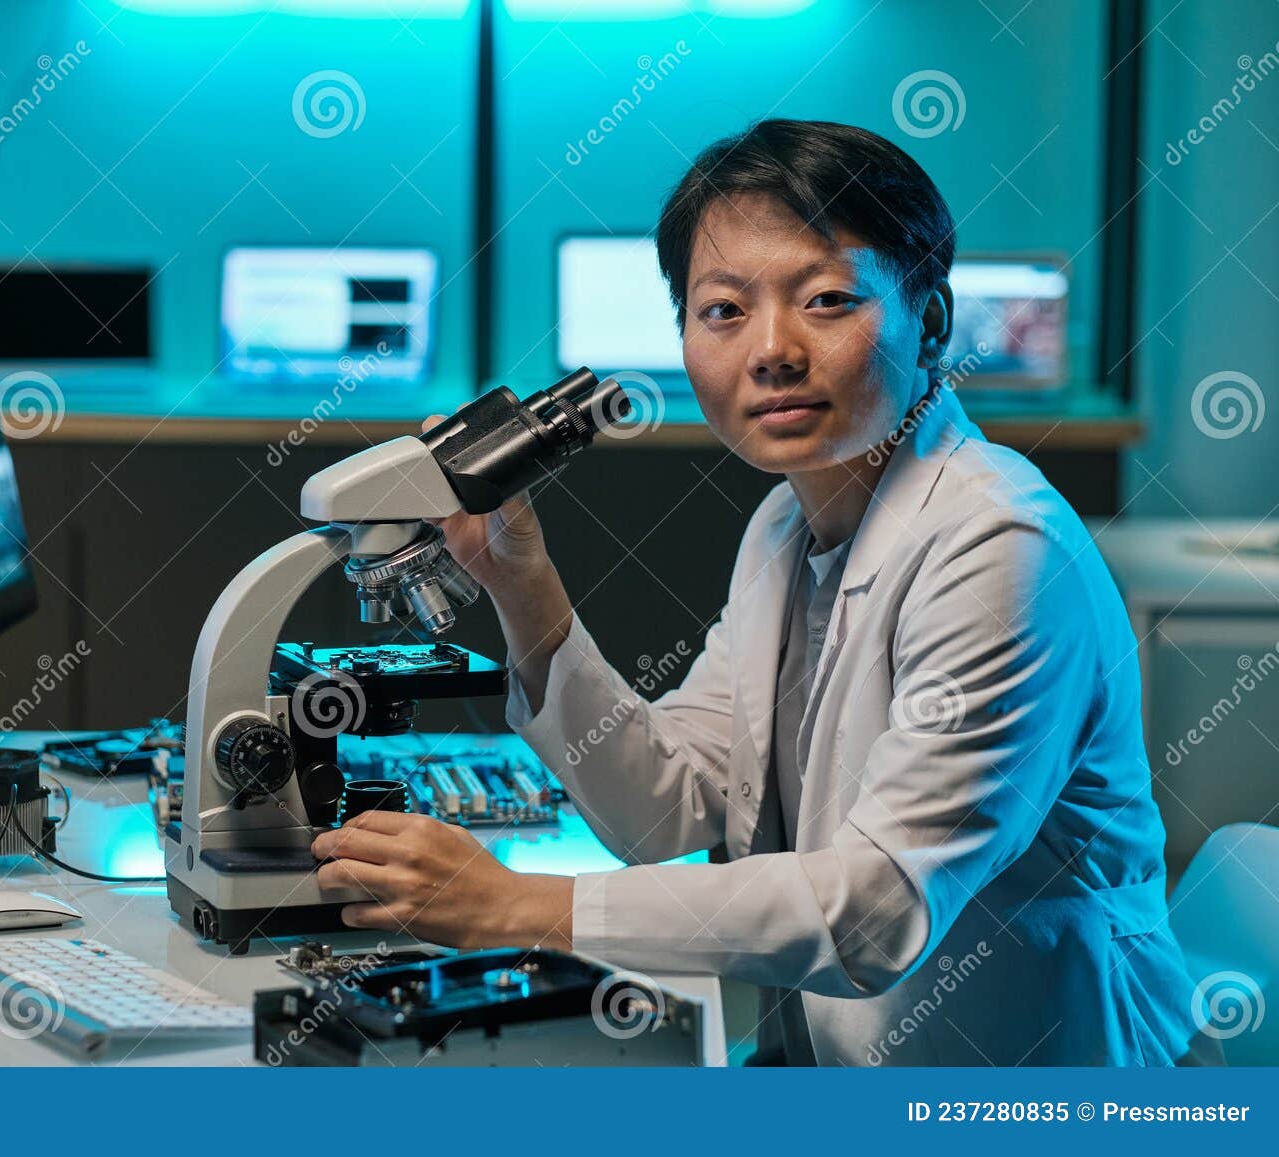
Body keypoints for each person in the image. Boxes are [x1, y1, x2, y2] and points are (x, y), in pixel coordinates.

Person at [312, 118, 1211, 1066]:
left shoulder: (999, 548)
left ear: (931, 320)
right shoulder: (786, 527)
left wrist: (519, 906)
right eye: (723, 310)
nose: (772, 350)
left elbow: (878, 908)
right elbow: (662, 805)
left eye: (826, 300)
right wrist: (519, 577)